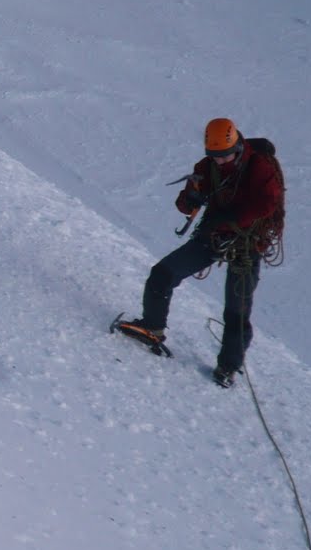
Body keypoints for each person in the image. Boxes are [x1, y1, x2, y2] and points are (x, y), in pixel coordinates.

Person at [120, 118, 285, 387]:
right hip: (215, 235)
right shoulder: (208, 167)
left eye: (224, 156)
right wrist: (191, 200)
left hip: (246, 244)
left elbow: (267, 204)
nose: (219, 161)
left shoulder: (260, 167)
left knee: (237, 310)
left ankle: (228, 367)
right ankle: (152, 327)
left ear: (238, 147)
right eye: (214, 156)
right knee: (162, 273)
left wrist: (229, 219)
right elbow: (184, 204)